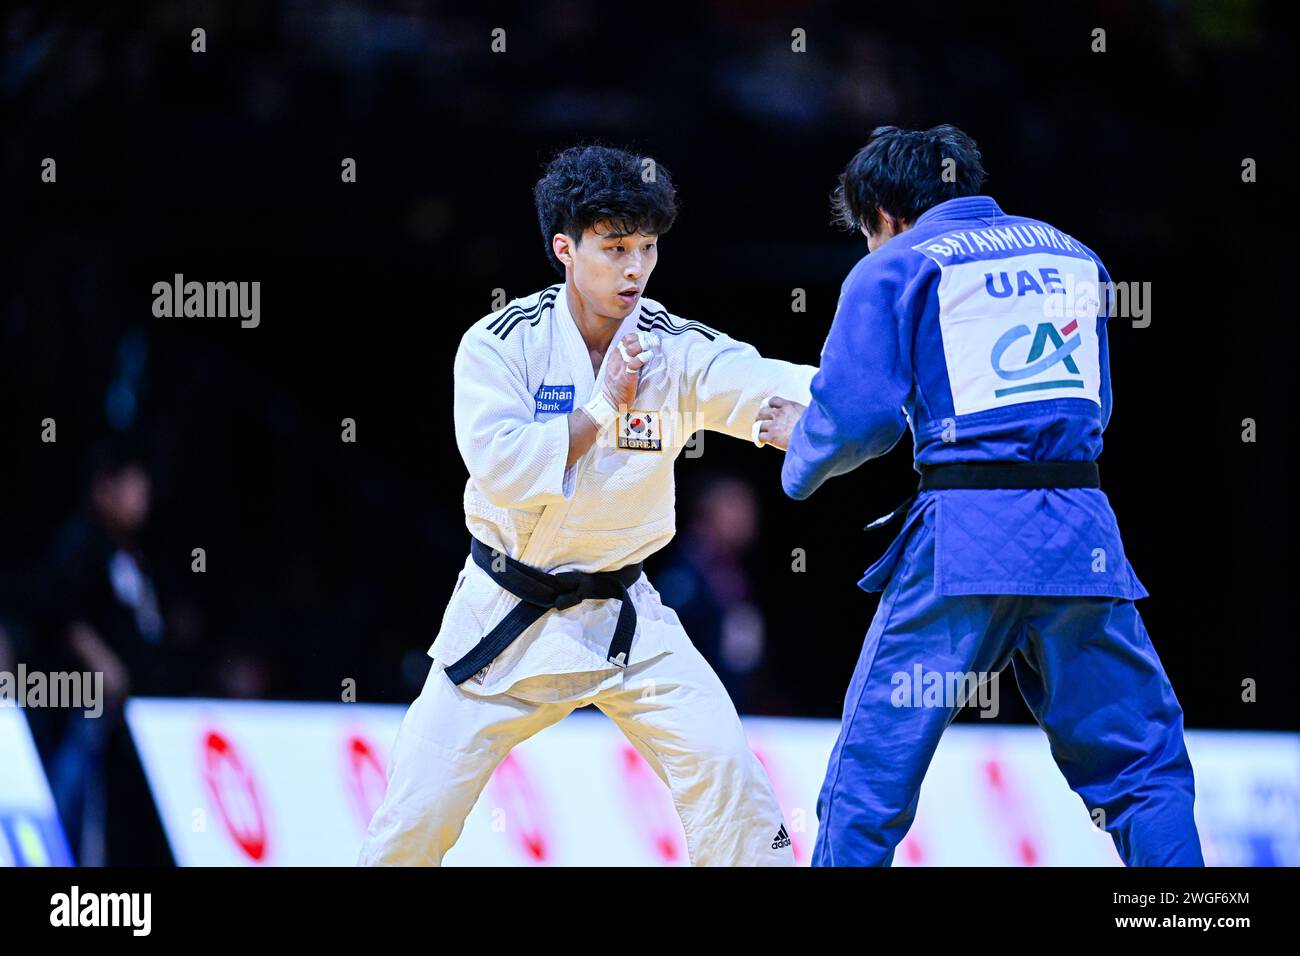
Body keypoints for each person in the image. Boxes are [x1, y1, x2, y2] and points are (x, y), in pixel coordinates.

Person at [756, 125, 1202, 867]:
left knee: (873, 772)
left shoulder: (898, 264)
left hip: (966, 541)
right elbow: (1093, 409)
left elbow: (856, 420)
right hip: (1082, 539)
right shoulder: (1072, 254)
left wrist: (800, 447)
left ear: (884, 216)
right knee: (1141, 768)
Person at [359, 144, 815, 866]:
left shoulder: (674, 349)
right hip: (503, 618)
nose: (634, 269)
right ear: (565, 249)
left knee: (731, 781)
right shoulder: (500, 346)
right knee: (410, 828)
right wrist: (602, 408)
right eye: (614, 248)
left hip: (625, 617)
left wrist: (852, 406)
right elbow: (503, 468)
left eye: (647, 248)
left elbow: (768, 380)